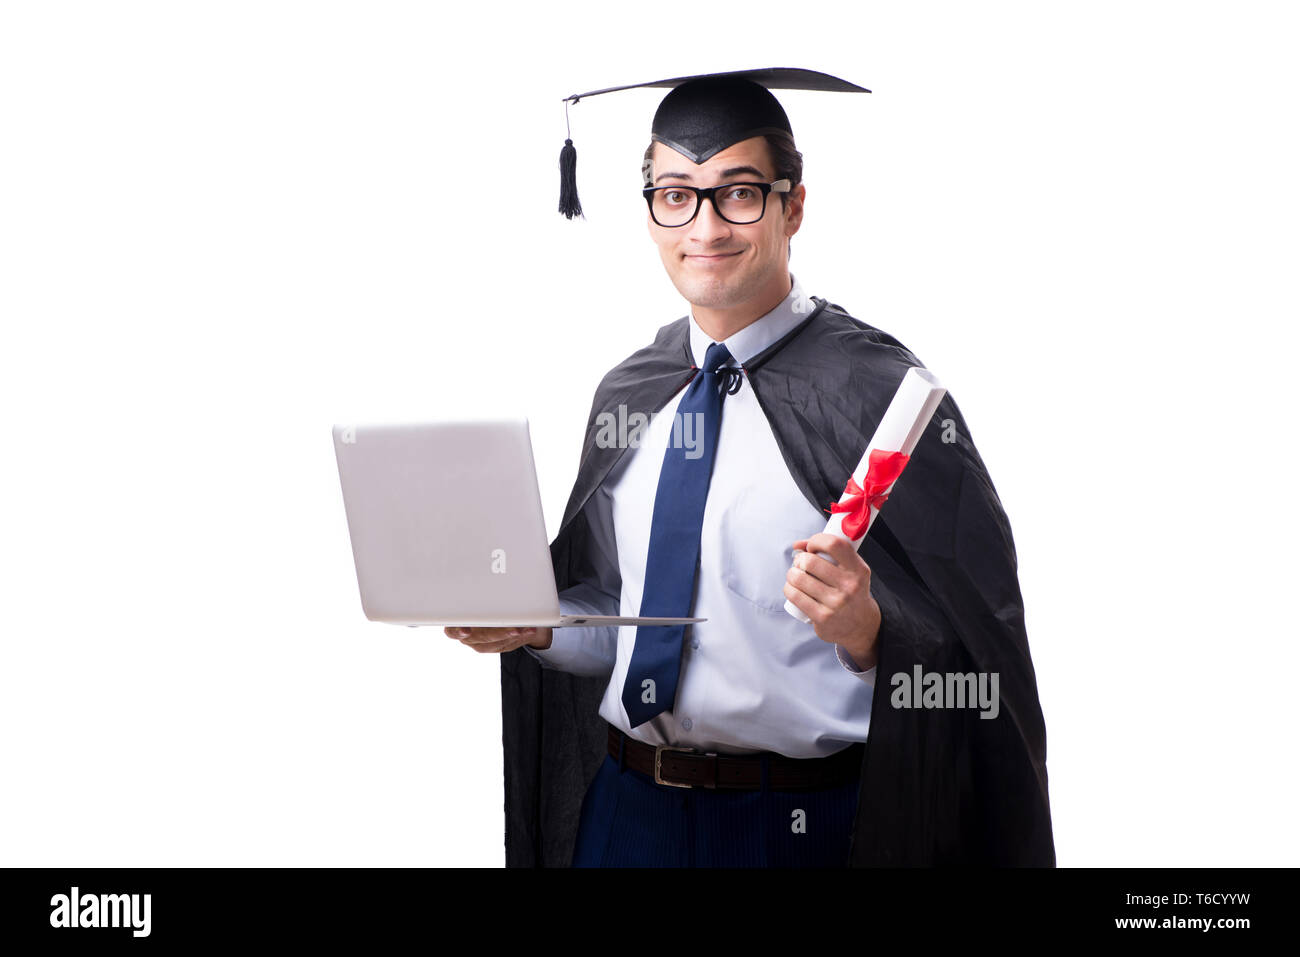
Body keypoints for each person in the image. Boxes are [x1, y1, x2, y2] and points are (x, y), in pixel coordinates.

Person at [447, 68, 1055, 867]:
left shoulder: (880, 397)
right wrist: (543, 626)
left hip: (803, 827)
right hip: (628, 821)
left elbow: (976, 662)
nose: (705, 226)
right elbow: (623, 616)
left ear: (792, 205)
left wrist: (869, 634)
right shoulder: (630, 393)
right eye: (675, 194)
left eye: (738, 192)